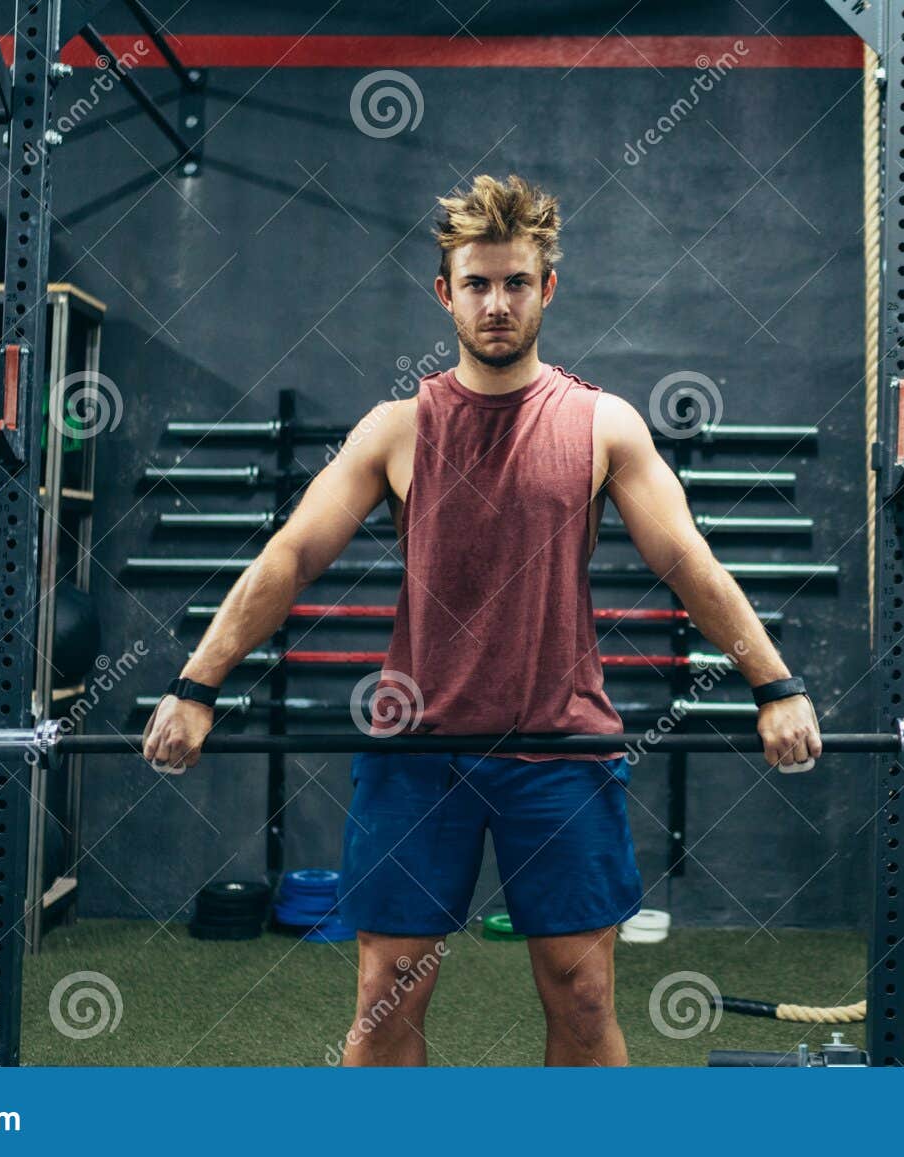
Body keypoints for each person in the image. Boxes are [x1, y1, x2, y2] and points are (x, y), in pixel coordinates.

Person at [142, 173, 821, 1066]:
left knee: (581, 997)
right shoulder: (396, 429)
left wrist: (775, 685)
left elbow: (687, 561)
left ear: (547, 288)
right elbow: (290, 557)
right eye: (476, 283)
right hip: (417, 751)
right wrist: (197, 685)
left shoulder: (601, 425)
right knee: (386, 1003)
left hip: (562, 747)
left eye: (514, 282)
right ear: (445, 294)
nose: (496, 303)